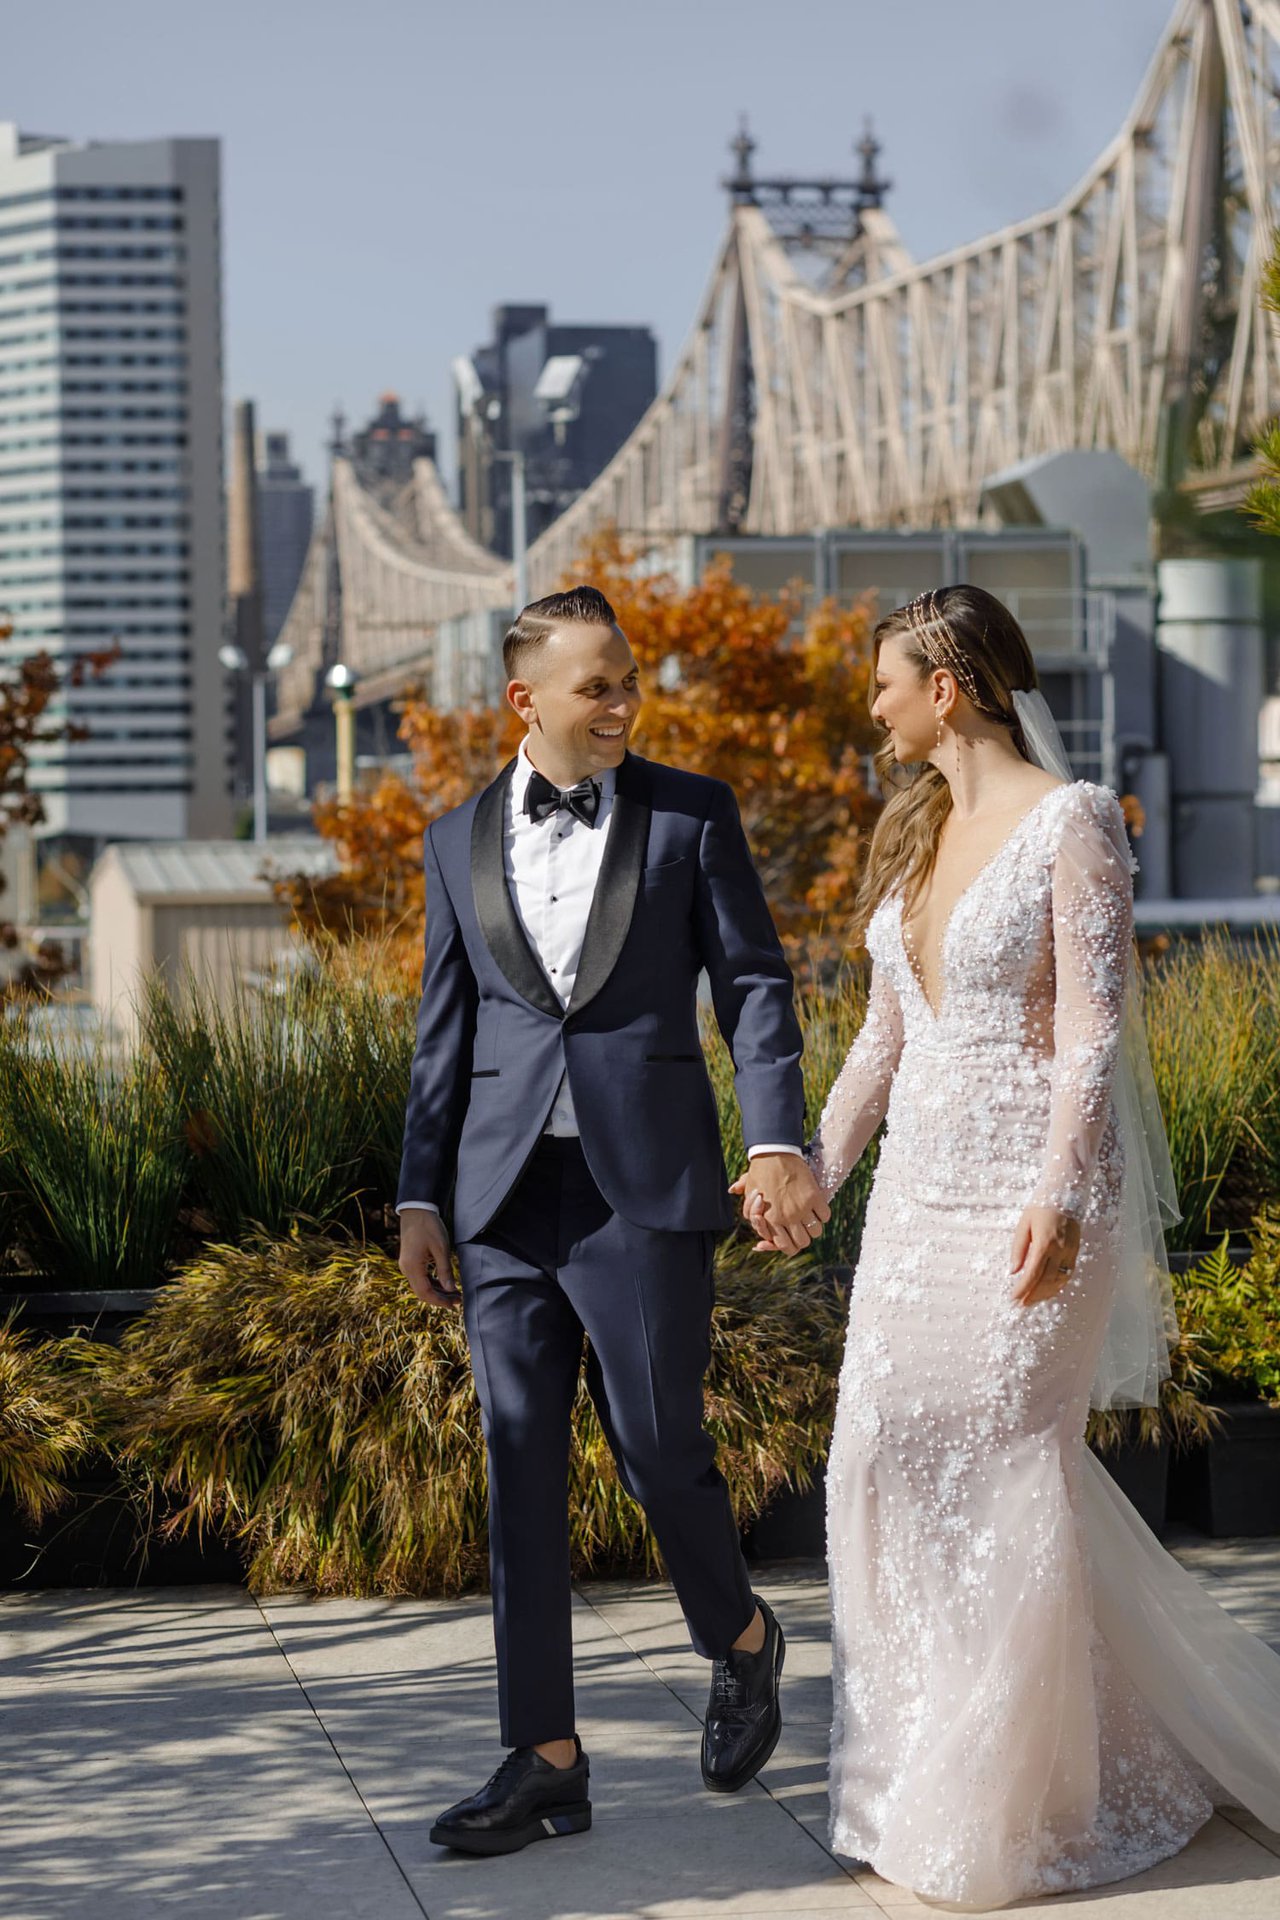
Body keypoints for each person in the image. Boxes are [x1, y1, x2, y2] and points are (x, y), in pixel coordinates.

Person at [738, 584, 1280, 1911]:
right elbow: (885, 1035)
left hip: (1033, 1205)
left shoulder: (1073, 822)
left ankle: (1006, 1799)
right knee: (872, 1461)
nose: (867, 705)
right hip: (916, 1208)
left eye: (884, 681)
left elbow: (1096, 1031)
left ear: (952, 686)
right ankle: (909, 1769)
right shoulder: (914, 830)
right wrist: (819, 1163)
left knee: (1001, 1469)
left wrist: (1064, 1194)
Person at [396, 584, 830, 1857]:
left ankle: (741, 1637)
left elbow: (752, 983)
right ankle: (544, 1760)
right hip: (497, 1200)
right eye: (597, 685)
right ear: (524, 699)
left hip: (640, 1187)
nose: (622, 703)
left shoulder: (692, 813)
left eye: (629, 680)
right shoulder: (452, 838)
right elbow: (442, 1036)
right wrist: (422, 1195)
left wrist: (773, 1138)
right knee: (516, 1471)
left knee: (655, 1447)